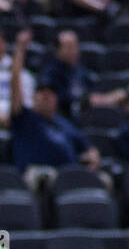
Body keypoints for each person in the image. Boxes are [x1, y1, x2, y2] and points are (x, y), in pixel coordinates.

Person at [9, 32, 102, 184]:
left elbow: (88, 148)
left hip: (67, 174)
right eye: (41, 93)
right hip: (37, 174)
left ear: (56, 99)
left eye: (50, 93)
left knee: (103, 180)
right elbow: (15, 84)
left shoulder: (64, 123)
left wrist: (93, 156)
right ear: (33, 97)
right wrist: (20, 50)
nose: (46, 96)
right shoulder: (24, 118)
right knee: (44, 178)